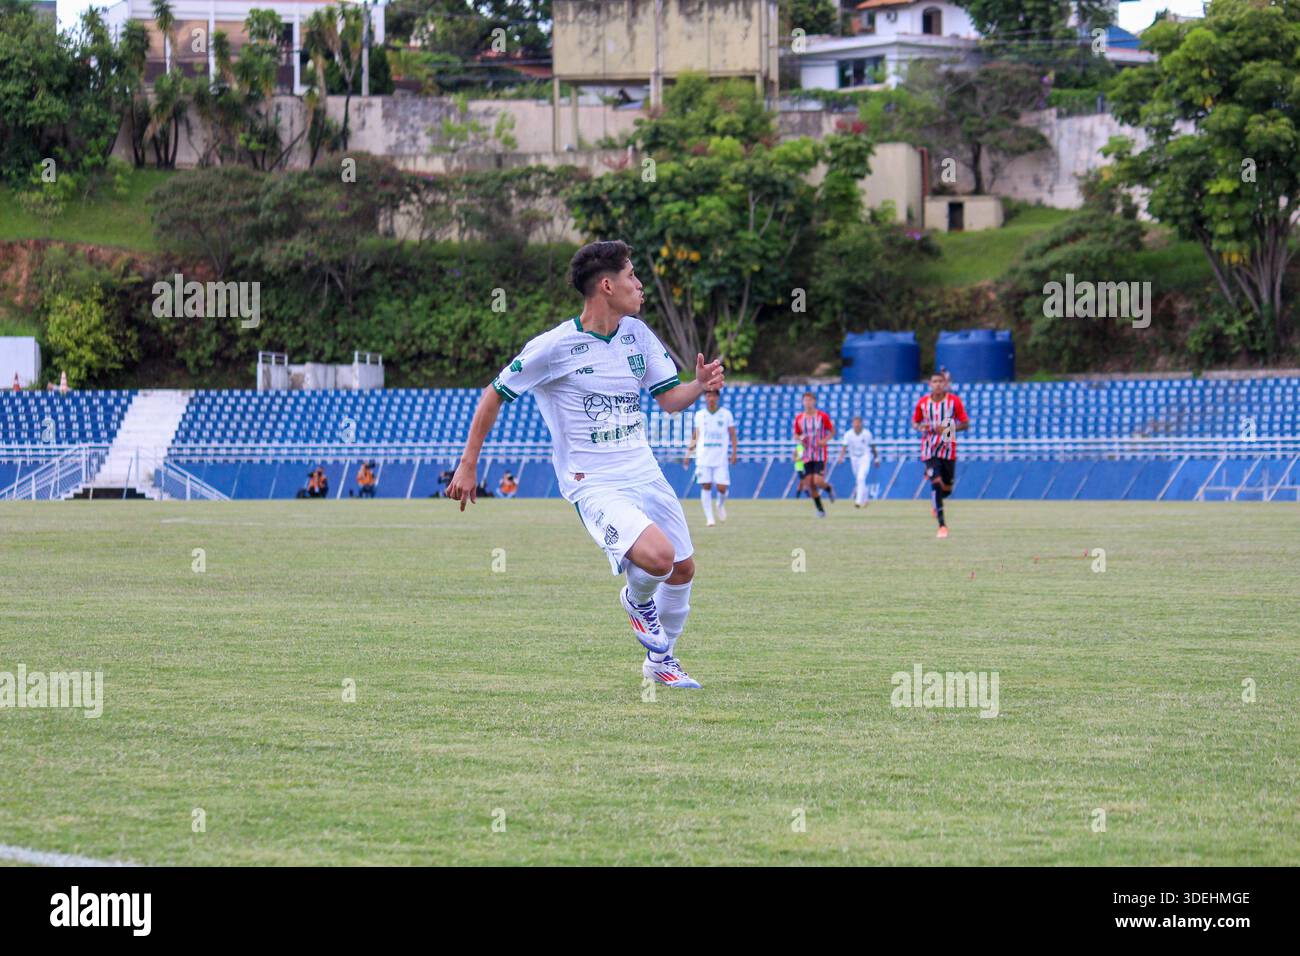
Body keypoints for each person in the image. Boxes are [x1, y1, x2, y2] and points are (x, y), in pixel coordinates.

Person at [446, 239, 725, 689]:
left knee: (683, 569)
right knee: (658, 557)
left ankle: (662, 661)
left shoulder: (638, 335)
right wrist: (468, 463)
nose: (640, 286)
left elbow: (670, 401)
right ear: (607, 285)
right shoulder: (554, 347)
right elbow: (494, 392)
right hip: (593, 480)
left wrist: (698, 385)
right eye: (633, 276)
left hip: (643, 469)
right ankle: (636, 602)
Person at [912, 370, 971, 538]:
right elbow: (915, 422)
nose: (937, 384)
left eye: (940, 381)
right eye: (934, 381)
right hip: (929, 448)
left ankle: (934, 491)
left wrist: (948, 428)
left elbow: (965, 424)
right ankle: (942, 525)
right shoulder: (923, 403)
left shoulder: (953, 401)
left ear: (945, 384)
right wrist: (920, 427)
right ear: (930, 384)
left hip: (948, 446)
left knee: (946, 489)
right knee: (936, 483)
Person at [682, 388, 737, 527]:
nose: (711, 398)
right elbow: (695, 435)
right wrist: (689, 453)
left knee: (722, 487)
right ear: (705, 398)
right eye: (708, 395)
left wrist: (735, 452)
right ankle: (710, 518)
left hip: (720, 458)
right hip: (703, 458)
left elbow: (732, 435)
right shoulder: (700, 415)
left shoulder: (726, 414)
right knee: (705, 486)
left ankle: (720, 504)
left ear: (717, 397)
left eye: (713, 395)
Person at [793, 391, 835, 517]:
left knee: (817, 481)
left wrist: (824, 440)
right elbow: (796, 434)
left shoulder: (822, 416)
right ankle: (820, 509)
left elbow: (832, 431)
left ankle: (828, 488)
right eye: (805, 400)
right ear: (802, 402)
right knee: (809, 484)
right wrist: (799, 440)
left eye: (810, 400)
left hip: (819, 454)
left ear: (814, 401)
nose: (808, 402)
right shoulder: (799, 418)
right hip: (806, 455)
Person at [835, 415, 880, 508]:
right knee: (859, 479)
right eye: (854, 423)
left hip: (865, 457)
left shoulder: (867, 434)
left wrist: (876, 458)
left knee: (860, 477)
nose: (856, 425)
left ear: (861, 423)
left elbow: (873, 447)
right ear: (852, 424)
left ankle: (858, 501)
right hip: (854, 458)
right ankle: (865, 498)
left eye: (858, 423)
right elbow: (844, 446)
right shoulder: (848, 434)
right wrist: (841, 457)